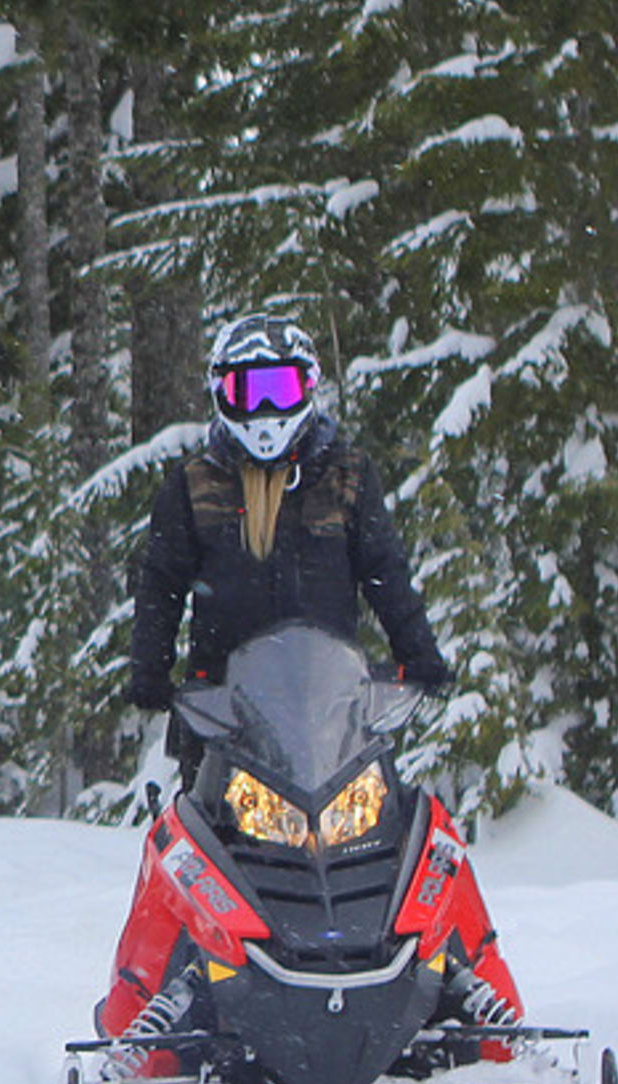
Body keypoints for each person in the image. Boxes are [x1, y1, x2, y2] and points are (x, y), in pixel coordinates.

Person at [97, 307, 519, 1044]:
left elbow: (383, 571)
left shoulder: (345, 477)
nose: (263, 409)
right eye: (246, 390)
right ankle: (144, 1021)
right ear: (220, 395)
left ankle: (473, 1003)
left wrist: (417, 655)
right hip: (226, 717)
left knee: (422, 839)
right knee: (184, 846)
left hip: (334, 720)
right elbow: (160, 583)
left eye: (278, 387)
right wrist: (149, 670)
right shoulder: (194, 482)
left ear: (308, 389)